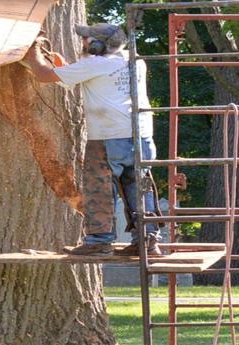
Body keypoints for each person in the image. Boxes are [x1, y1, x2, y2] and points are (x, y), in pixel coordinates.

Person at [21, 23, 183, 257]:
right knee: (140, 186)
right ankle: (147, 241)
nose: (83, 43)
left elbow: (44, 76)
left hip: (108, 136)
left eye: (87, 40)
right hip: (142, 136)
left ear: (98, 45)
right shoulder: (134, 60)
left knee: (99, 188)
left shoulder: (95, 64)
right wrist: (65, 66)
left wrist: (32, 50)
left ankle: (99, 241)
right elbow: (93, 79)